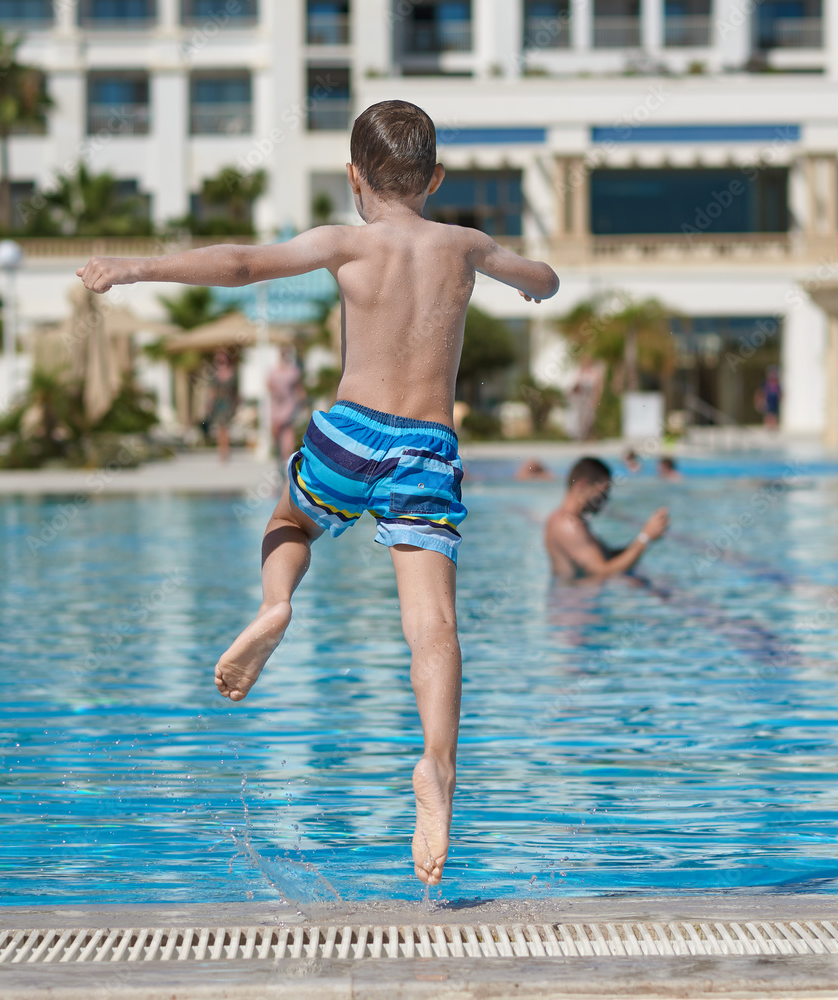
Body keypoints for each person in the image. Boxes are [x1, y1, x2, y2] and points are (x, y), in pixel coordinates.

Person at [77, 99, 560, 886]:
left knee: (290, 519)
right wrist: (533, 281)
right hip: (428, 447)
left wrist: (134, 267)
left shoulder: (347, 242)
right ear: (435, 178)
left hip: (353, 429)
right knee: (432, 624)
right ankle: (436, 764)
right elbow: (541, 277)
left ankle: (275, 605)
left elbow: (239, 264)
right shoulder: (465, 246)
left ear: (353, 179)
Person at [545, 457, 668, 582]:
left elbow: (608, 556)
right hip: (573, 600)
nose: (605, 500)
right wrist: (645, 538)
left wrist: (648, 536)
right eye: (602, 493)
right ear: (581, 485)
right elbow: (603, 572)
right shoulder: (566, 526)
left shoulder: (574, 522)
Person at [267, 346, 306, 462]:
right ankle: (279, 455)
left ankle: (287, 456)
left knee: (288, 430)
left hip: (289, 403)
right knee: (276, 430)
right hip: (277, 404)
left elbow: (299, 388)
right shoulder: (275, 371)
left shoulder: (293, 371)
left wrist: (302, 402)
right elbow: (269, 385)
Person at [207, 349, 238, 463]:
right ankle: (222, 451)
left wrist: (237, 403)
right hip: (218, 403)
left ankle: (226, 450)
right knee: (220, 429)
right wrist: (209, 404)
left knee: (225, 428)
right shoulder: (214, 374)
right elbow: (212, 390)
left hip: (228, 403)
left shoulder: (232, 373)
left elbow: (235, 391)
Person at [566, 355, 605, 442]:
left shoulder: (595, 373)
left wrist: (596, 399)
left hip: (589, 399)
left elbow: (598, 388)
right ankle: (580, 437)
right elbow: (575, 386)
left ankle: (588, 436)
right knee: (580, 418)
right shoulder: (579, 372)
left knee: (589, 418)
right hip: (580, 400)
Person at [756, 365, 781, 430]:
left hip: (774, 400)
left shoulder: (777, 383)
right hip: (768, 400)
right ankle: (768, 426)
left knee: (774, 413)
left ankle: (773, 426)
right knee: (768, 413)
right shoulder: (765, 383)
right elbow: (760, 392)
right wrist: (760, 400)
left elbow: (779, 393)